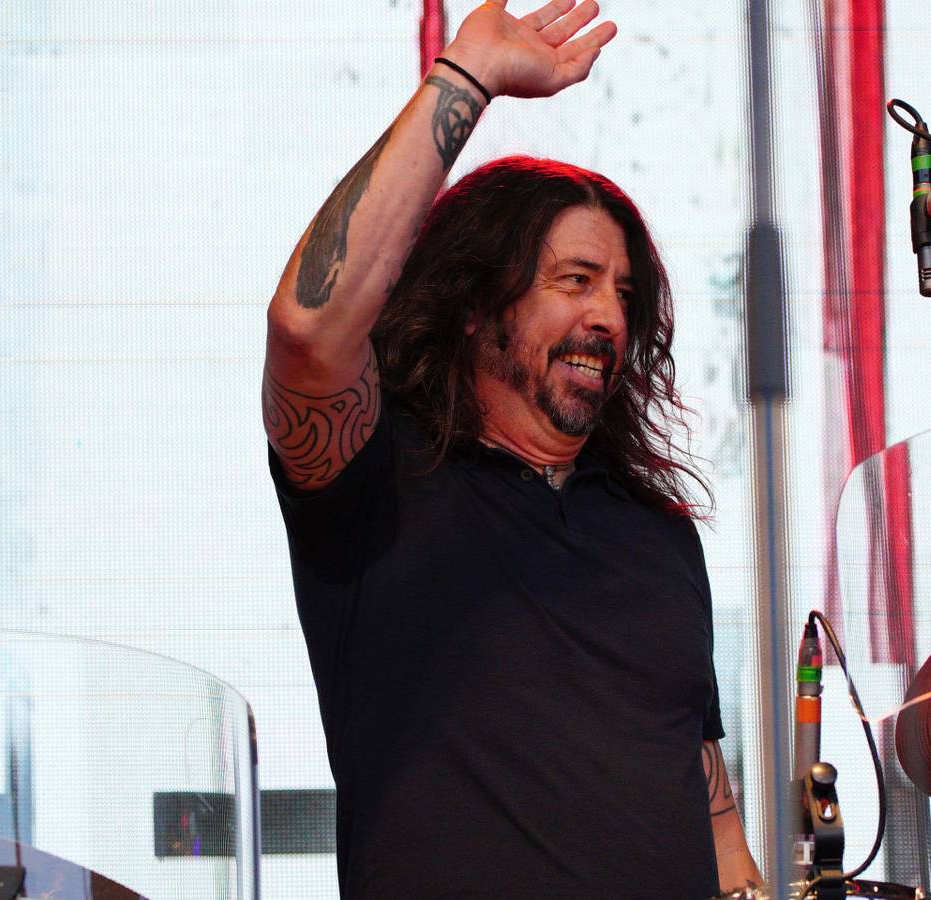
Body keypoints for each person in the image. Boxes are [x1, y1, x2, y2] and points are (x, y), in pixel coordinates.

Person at [261, 2, 761, 896]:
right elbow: (308, 327)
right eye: (575, 280)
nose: (608, 316)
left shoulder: (657, 534)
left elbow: (711, 811)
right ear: (474, 304)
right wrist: (468, 77)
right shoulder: (381, 481)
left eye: (622, 293)